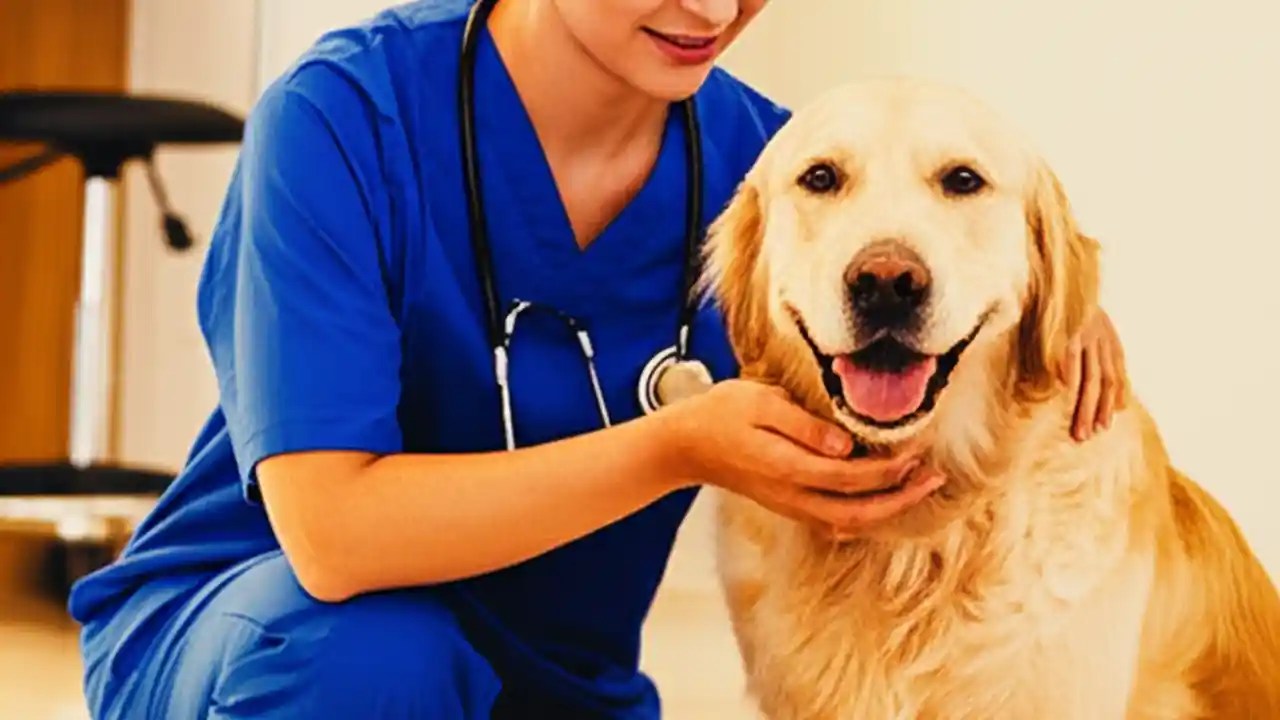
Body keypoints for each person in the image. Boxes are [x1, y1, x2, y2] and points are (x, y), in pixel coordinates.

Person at [68, 0, 1128, 718]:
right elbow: (333, 539)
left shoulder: (783, 174)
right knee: (370, 656)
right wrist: (672, 450)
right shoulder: (345, 120)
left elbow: (921, 248)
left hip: (554, 683)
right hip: (277, 643)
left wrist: (1039, 276)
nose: (709, 4)